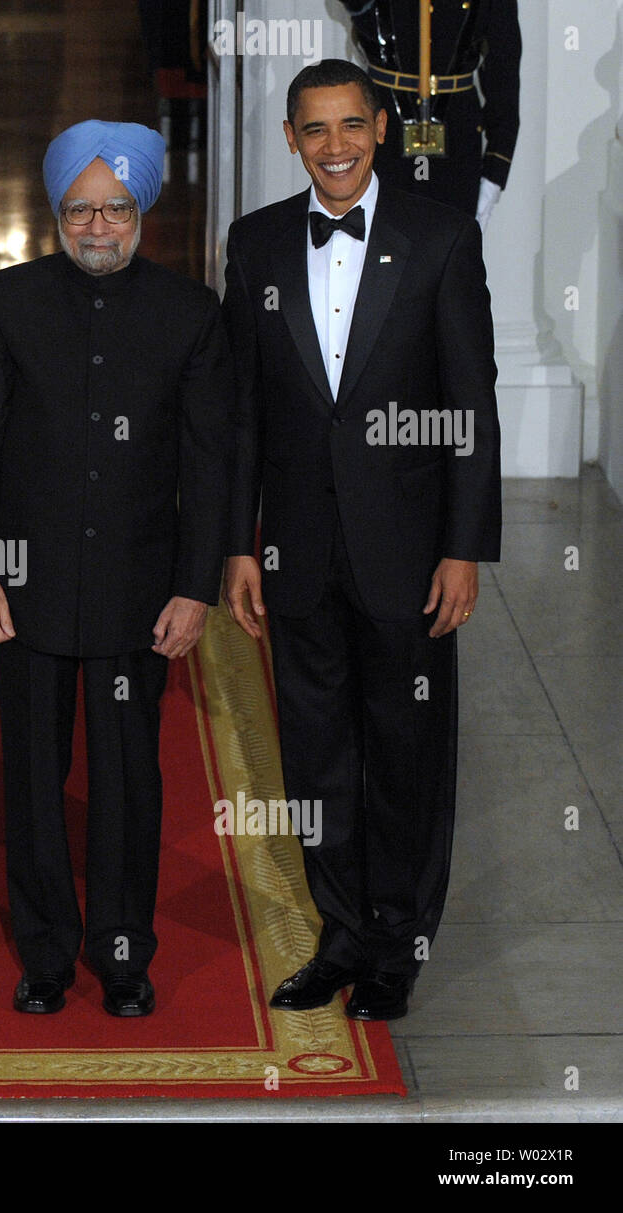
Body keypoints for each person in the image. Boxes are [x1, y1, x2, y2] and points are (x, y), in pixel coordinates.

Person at [222, 60, 501, 1021]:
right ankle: (340, 932)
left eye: (351, 126)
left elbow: (471, 405)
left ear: (380, 127)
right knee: (315, 754)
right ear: (291, 138)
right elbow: (244, 411)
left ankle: (399, 939)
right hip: (297, 551)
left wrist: (464, 548)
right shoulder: (254, 242)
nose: (335, 146)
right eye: (314, 130)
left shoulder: (440, 236)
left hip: (411, 554)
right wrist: (236, 545)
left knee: (407, 749)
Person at [0, 120, 234, 1018]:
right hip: (26, 591)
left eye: (116, 207)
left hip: (139, 596)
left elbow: (210, 464)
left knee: (128, 785)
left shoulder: (192, 314)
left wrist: (195, 586)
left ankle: (122, 956)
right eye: (81, 209)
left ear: (142, 206)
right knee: (31, 782)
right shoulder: (7, 300)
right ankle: (43, 957)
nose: (99, 226)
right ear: (57, 212)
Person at [339, 0, 520, 229]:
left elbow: (504, 72)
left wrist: (496, 167)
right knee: (382, 247)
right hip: (386, 129)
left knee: (449, 251)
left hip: (456, 132)